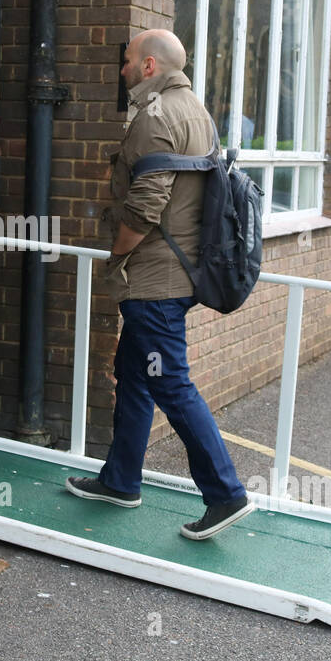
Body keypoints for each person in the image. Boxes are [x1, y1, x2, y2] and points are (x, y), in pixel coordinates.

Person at [66, 28, 253, 540]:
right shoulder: (197, 110)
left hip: (155, 277)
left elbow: (147, 203)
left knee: (171, 382)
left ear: (149, 67)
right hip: (182, 271)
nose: (122, 68)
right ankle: (121, 480)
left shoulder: (154, 117)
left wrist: (117, 253)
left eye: (127, 60)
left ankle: (226, 493)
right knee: (134, 372)